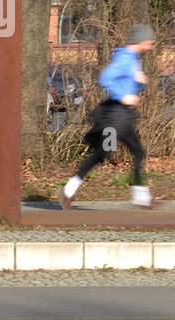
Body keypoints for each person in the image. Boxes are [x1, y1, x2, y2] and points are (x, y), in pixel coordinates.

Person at [61, 24, 156, 210]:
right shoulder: (125, 59)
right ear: (141, 41)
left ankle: (141, 197)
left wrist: (139, 83)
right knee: (106, 153)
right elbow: (105, 78)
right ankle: (69, 189)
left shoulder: (132, 59)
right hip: (117, 117)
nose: (151, 47)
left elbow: (125, 82)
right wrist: (124, 96)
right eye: (150, 43)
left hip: (123, 117)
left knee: (128, 152)